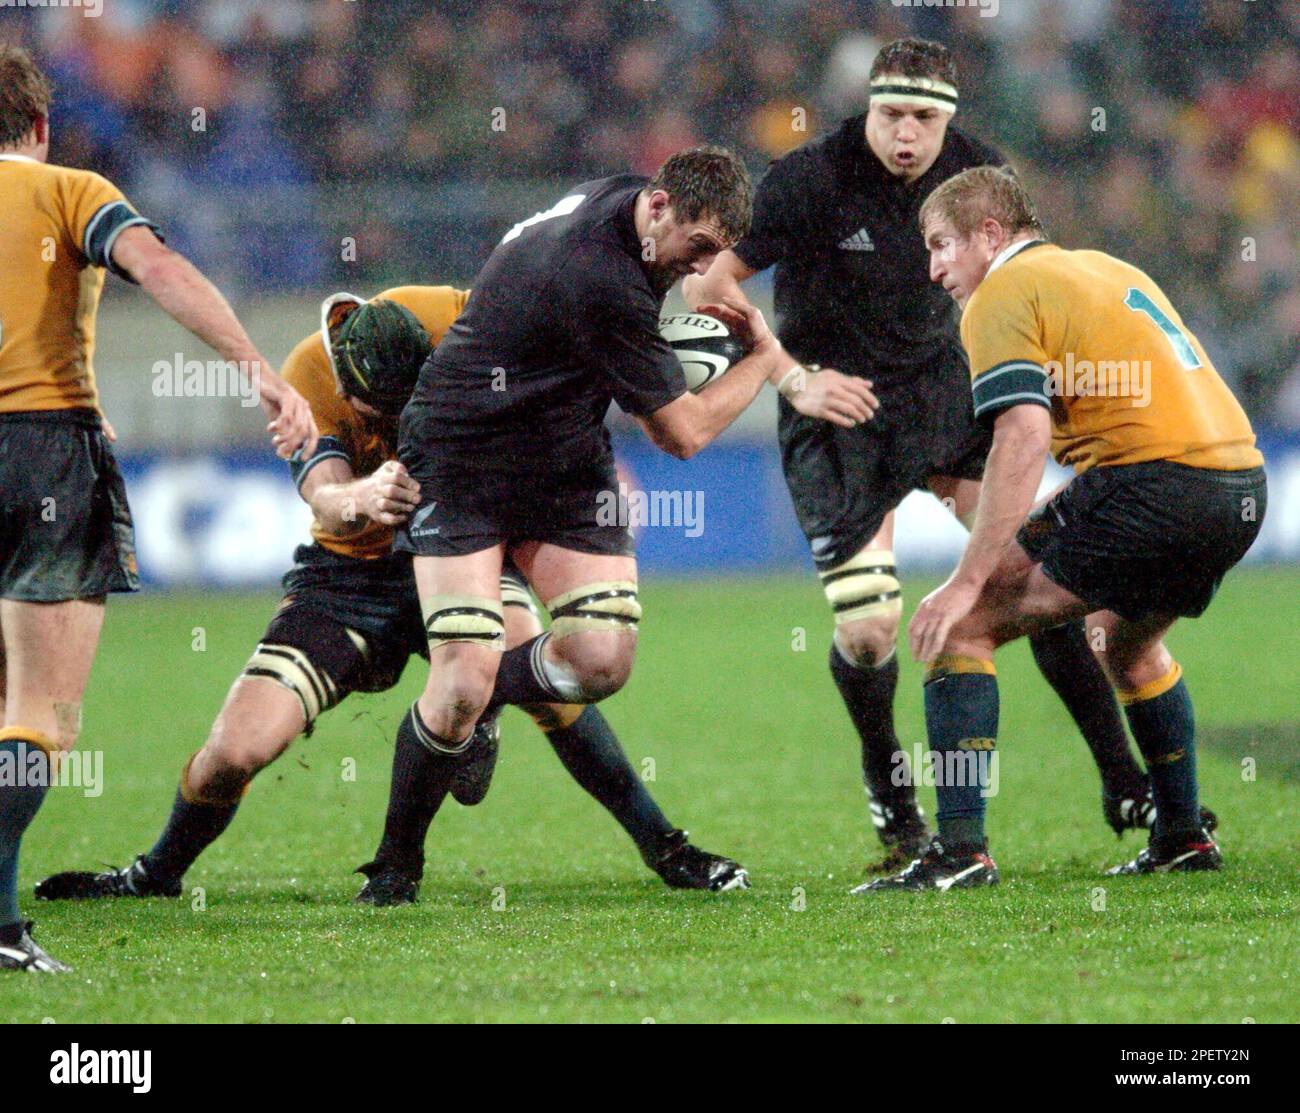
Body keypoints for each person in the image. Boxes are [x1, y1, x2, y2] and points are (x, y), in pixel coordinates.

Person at [34, 286, 749, 912]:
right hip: (351, 577)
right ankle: (154, 873)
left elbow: (548, 354)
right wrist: (363, 496)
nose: (402, 422)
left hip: (459, 544)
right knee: (234, 750)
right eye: (383, 410)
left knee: (557, 683)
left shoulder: (456, 317)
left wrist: (600, 452)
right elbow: (323, 493)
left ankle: (665, 847)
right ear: (348, 390)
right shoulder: (308, 374)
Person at [684, 37, 1199, 872]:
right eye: (892, 114)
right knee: (867, 632)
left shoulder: (979, 176)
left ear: (950, 118)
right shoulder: (812, 176)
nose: (906, 135)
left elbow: (1033, 284)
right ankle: (894, 801)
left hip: (943, 398)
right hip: (838, 410)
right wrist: (791, 378)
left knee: (1027, 576)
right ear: (869, 105)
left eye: (924, 118)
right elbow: (708, 286)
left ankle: (1123, 781)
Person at [391, 146, 872, 798]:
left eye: (717, 252)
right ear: (659, 205)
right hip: (463, 458)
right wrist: (765, 363)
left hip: (555, 454)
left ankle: (483, 687)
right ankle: (394, 870)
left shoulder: (620, 196)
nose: (702, 267)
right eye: (698, 246)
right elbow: (682, 433)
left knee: (602, 658)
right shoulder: (602, 278)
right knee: (455, 697)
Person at [862, 165, 1266, 890]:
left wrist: (967, 580)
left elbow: (1022, 437)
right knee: (1126, 639)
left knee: (961, 627)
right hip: (1239, 482)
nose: (935, 268)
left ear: (990, 233)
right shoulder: (1104, 268)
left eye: (941, 244)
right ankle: (1180, 833)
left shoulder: (1001, 294)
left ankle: (960, 852)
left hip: (1152, 480)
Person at [0, 45, 315, 973]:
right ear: (42, 126)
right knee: (37, 713)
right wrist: (259, 369)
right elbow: (162, 269)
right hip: (40, 446)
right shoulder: (69, 190)